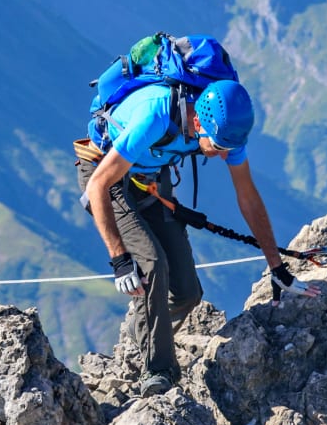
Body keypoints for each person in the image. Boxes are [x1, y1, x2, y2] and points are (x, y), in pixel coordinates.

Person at [77, 75, 295, 397]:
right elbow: (98, 186)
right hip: (106, 174)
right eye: (219, 148)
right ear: (197, 120)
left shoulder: (225, 129)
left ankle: (145, 333)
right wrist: (121, 261)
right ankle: (158, 373)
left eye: (228, 149)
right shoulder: (154, 117)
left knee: (187, 292)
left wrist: (277, 268)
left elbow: (248, 196)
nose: (224, 156)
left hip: (148, 177)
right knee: (153, 265)